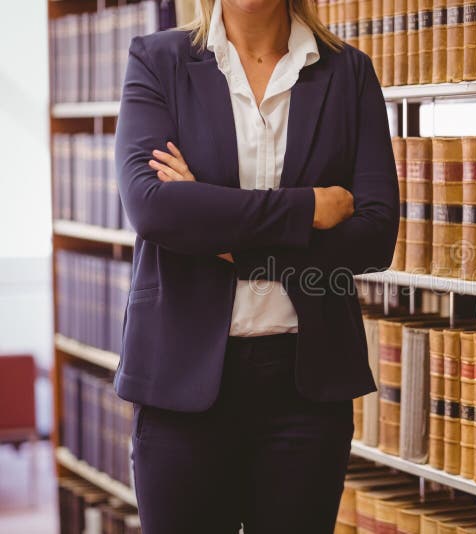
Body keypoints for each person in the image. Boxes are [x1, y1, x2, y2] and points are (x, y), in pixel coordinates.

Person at [112, 0, 399, 531]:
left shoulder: (348, 72)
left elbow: (375, 236)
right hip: (181, 386)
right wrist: (309, 207)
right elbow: (153, 208)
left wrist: (223, 229)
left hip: (305, 390)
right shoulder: (159, 61)